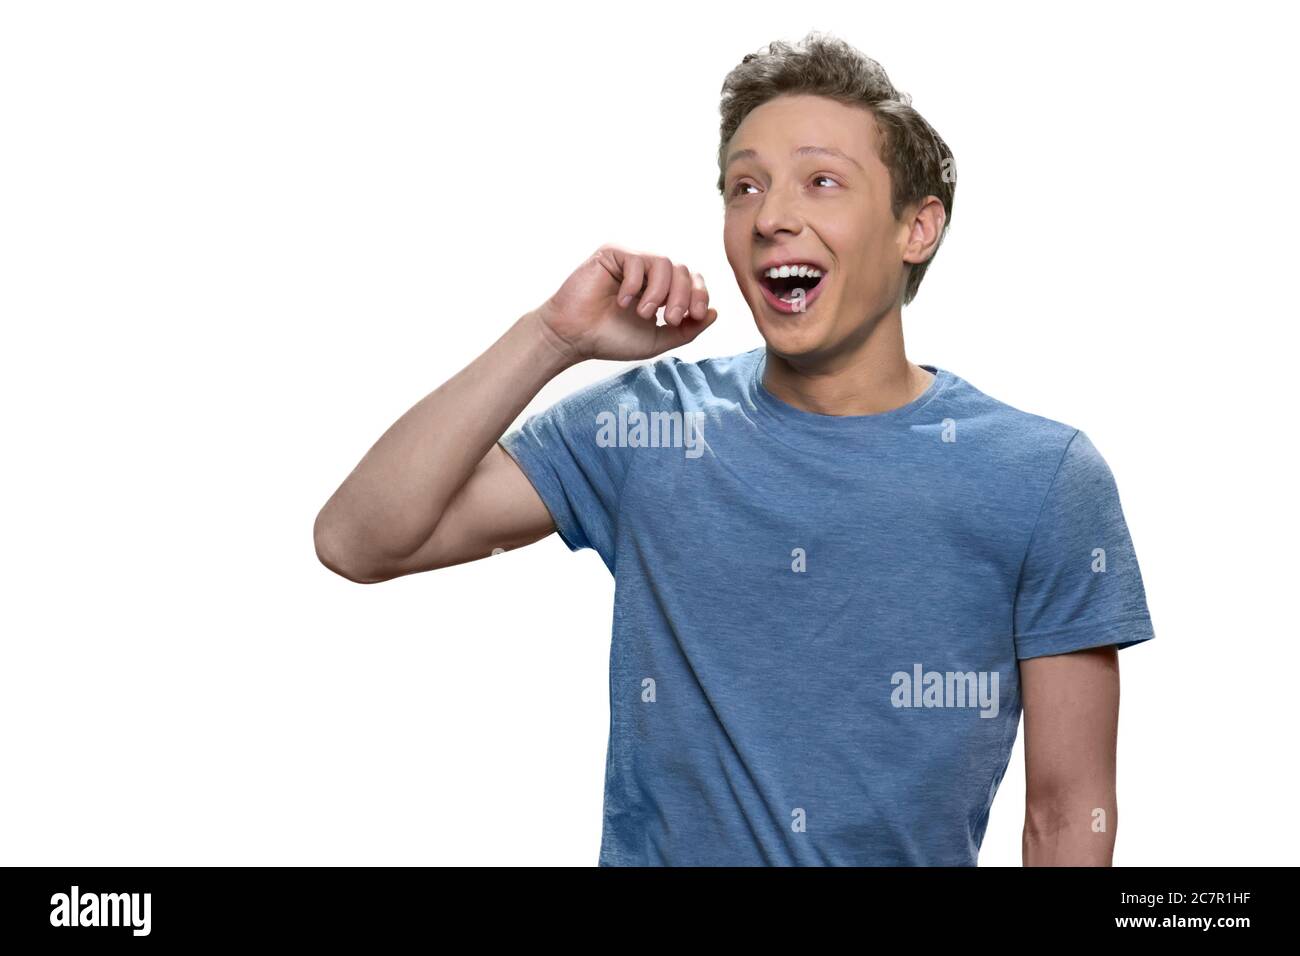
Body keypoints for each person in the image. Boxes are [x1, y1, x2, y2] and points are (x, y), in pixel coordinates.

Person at [314, 31, 1155, 866]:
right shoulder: (650, 426)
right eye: (743, 187)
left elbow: (1065, 811)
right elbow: (357, 540)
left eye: (821, 181)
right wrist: (551, 338)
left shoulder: (1042, 479)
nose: (771, 218)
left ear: (917, 228)